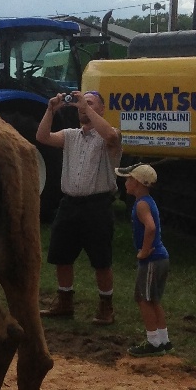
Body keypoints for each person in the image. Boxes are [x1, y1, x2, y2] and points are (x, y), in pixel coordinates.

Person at [36, 90, 121, 323]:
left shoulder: (109, 135)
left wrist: (87, 108)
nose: (83, 106)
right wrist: (50, 109)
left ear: (102, 109)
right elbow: (42, 137)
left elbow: (111, 137)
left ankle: (106, 307)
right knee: (61, 256)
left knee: (101, 260)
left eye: (92, 102)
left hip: (97, 205)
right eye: (82, 102)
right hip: (70, 204)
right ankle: (65, 302)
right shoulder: (71, 135)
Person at [117, 163, 172, 356]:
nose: (126, 182)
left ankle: (153, 343)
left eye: (129, 179)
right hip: (160, 258)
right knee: (153, 298)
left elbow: (150, 228)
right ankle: (163, 339)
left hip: (152, 259)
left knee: (143, 299)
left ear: (138, 183)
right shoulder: (148, 201)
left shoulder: (141, 204)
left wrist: (144, 251)